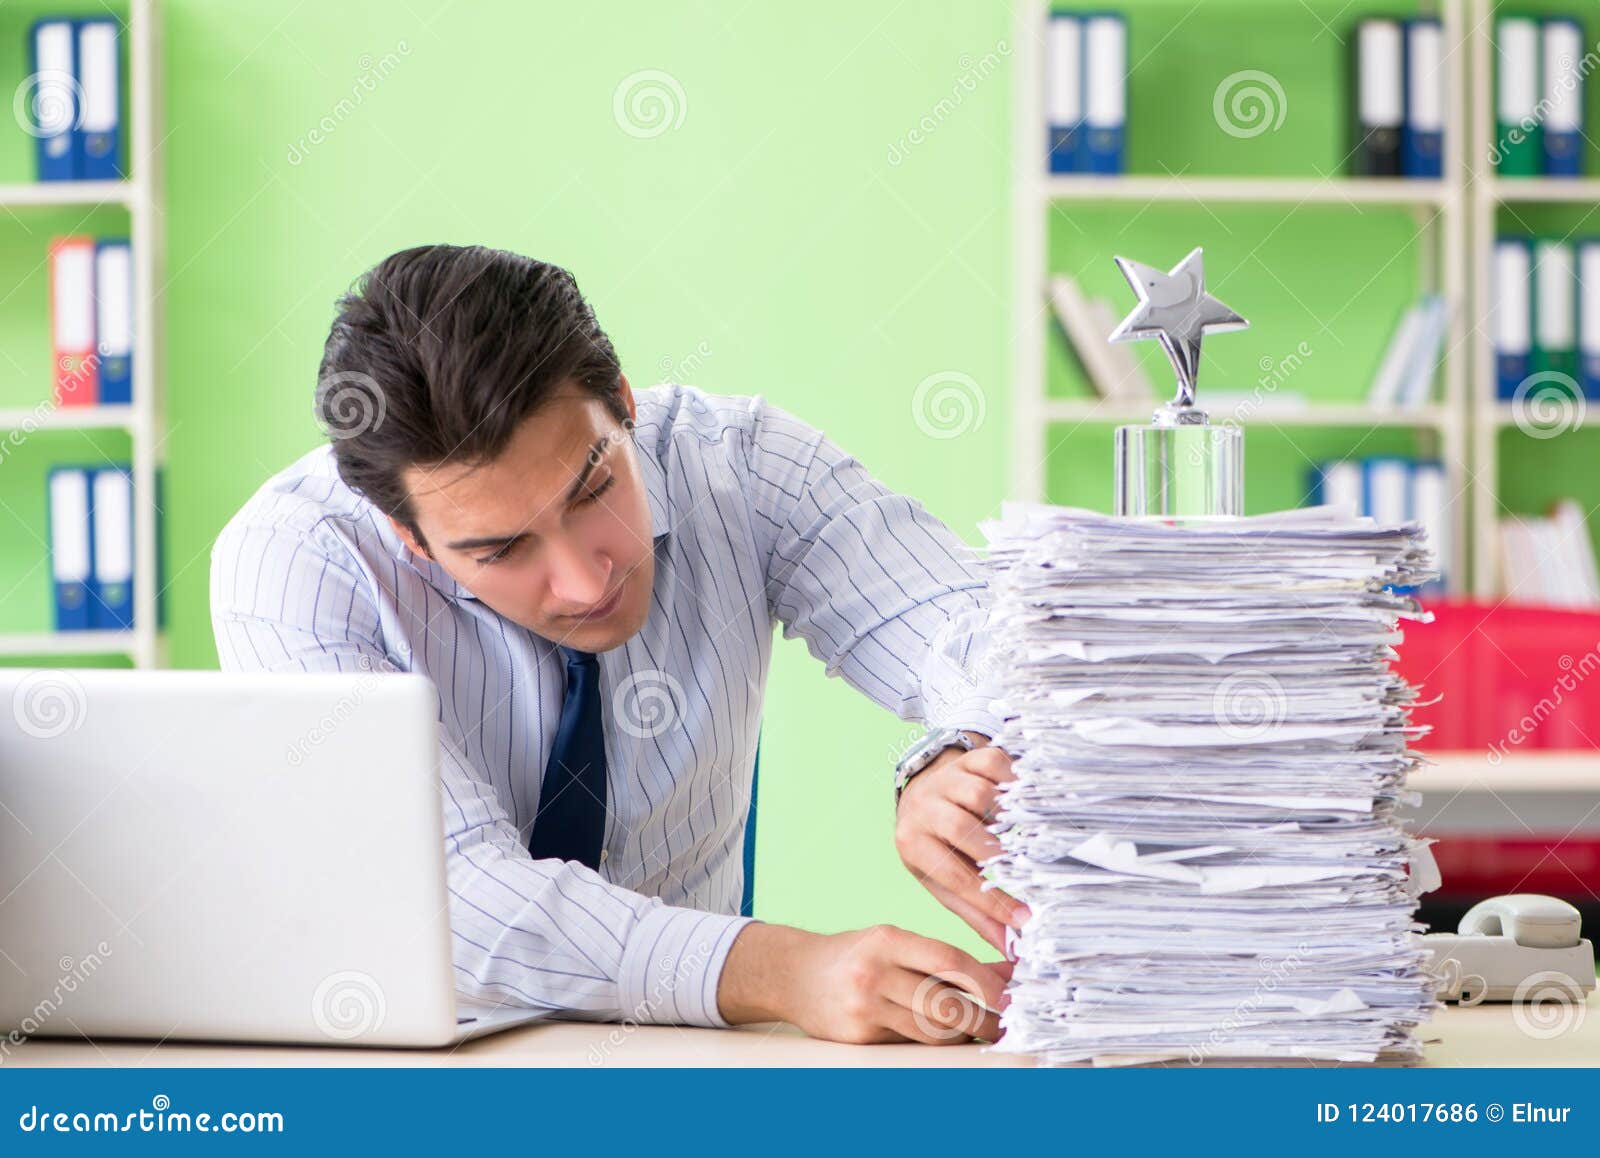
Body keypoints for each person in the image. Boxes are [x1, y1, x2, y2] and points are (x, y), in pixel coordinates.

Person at [209, 245, 1025, 1044]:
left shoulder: (740, 465)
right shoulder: (295, 559)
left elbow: (994, 636)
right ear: (409, 536)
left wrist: (961, 743)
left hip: (689, 1066)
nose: (583, 581)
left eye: (594, 488)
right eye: (502, 550)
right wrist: (779, 970)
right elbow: (443, 895)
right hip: (404, 1072)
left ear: (624, 404)